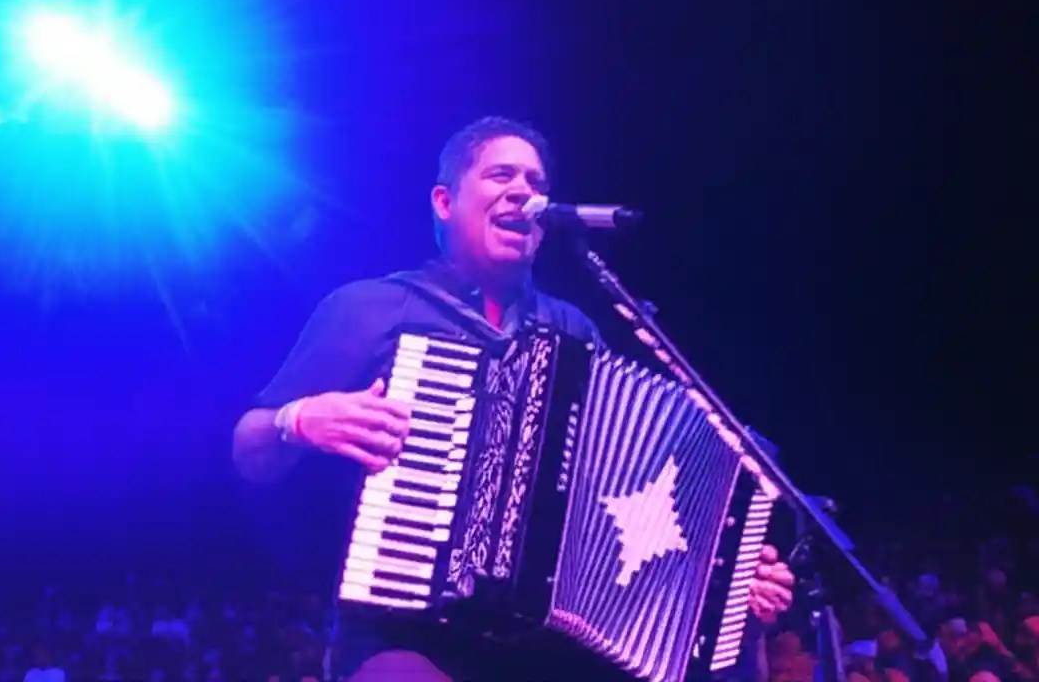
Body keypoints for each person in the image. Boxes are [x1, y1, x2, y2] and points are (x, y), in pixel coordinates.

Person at [232, 116, 796, 680]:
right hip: (406, 636)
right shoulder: (373, 308)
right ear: (445, 201)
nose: (524, 190)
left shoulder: (572, 331)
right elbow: (248, 448)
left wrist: (728, 577)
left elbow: (631, 497)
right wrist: (297, 419)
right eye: (501, 174)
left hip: (548, 649)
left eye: (535, 181)